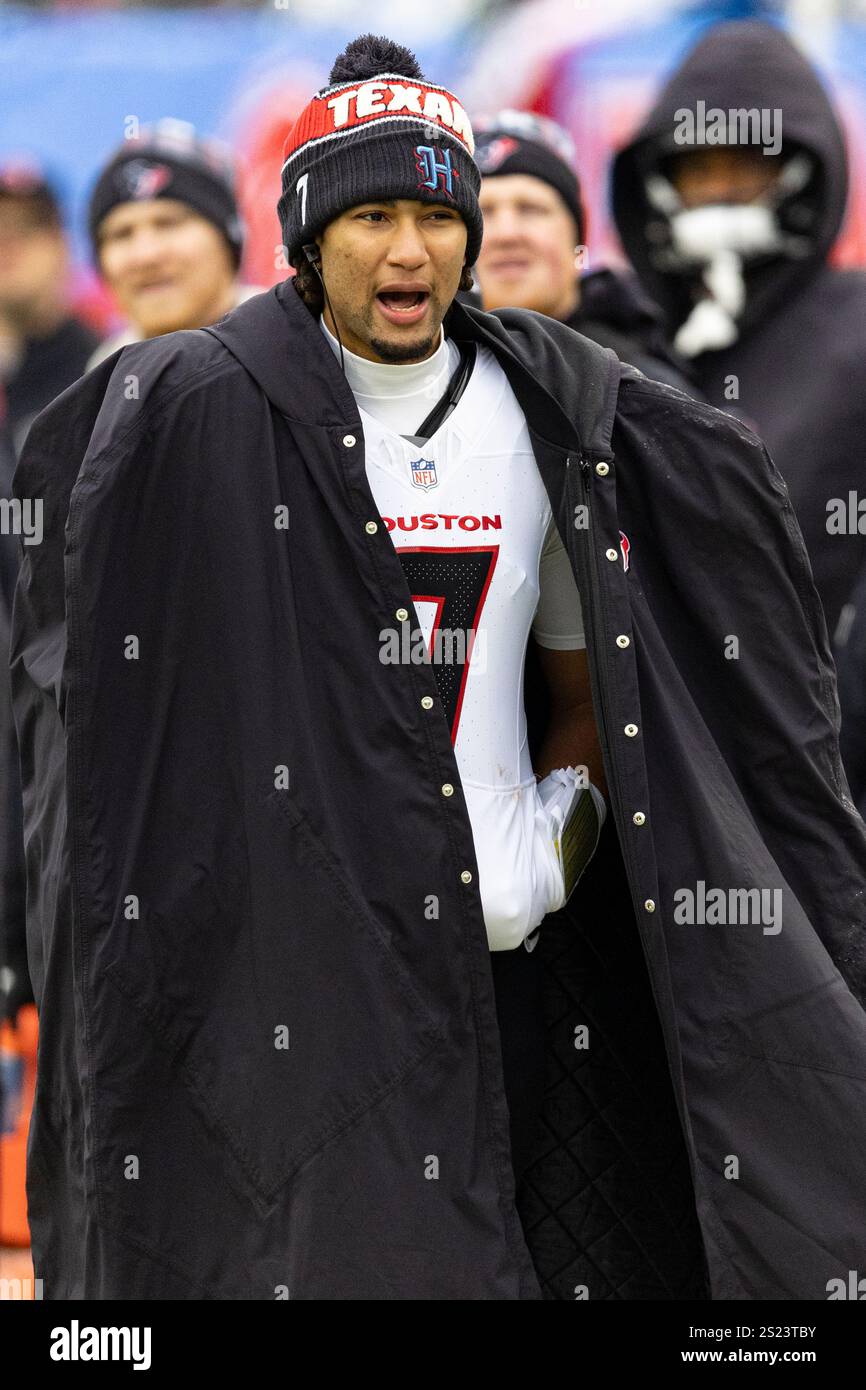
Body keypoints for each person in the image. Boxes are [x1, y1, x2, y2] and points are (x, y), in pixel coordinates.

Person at [11, 33, 866, 1301]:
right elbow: (112, 722)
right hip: (306, 1028)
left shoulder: (553, 411)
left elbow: (597, 684)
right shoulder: (189, 415)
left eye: (433, 214)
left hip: (510, 984)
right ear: (306, 235)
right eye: (368, 216)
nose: (407, 251)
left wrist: (548, 839)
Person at [611, 18, 866, 639]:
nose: (721, 189)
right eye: (698, 167)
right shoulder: (611, 332)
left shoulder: (859, 331)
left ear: (808, 169)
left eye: (748, 164)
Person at [472, 109, 693, 390]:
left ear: (577, 237)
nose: (507, 234)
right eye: (483, 213)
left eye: (531, 209)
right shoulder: (414, 379)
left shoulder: (647, 392)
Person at [85, 118, 259, 368]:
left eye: (168, 224)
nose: (146, 255)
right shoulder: (102, 379)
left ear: (228, 238)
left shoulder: (297, 343)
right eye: (122, 234)